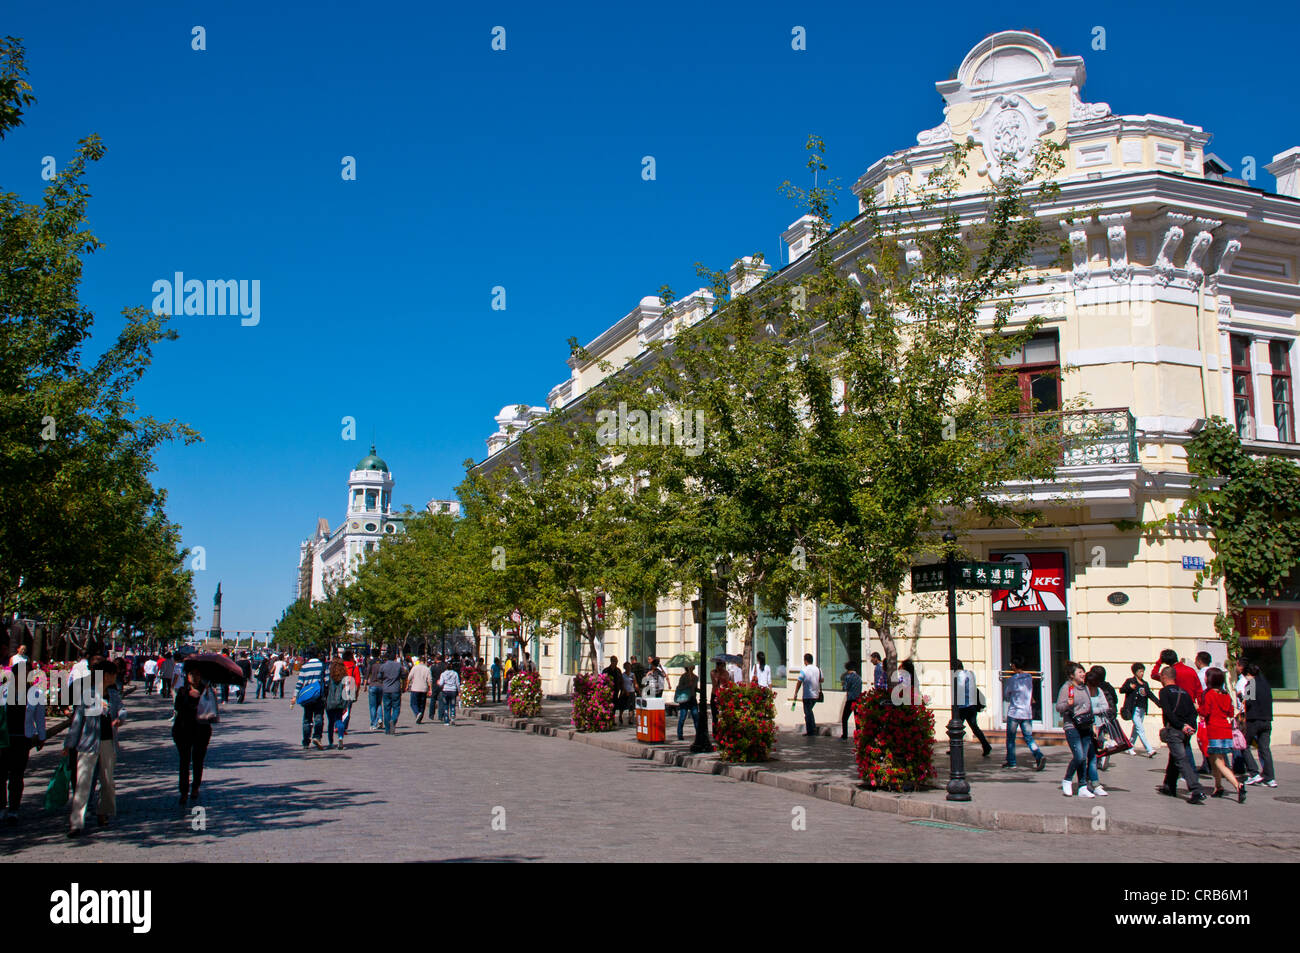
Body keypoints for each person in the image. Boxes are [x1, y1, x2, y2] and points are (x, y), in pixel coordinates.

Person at [63, 659, 123, 837]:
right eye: (113, 673)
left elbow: (122, 709)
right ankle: (76, 822)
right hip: (88, 743)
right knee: (82, 782)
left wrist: (120, 717)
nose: (115, 676)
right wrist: (69, 743)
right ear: (106, 676)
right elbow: (78, 720)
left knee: (107, 781)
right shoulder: (88, 694)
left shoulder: (113, 694)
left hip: (107, 742)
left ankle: (103, 812)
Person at [1, 638, 44, 822]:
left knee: (17, 776)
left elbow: (39, 718)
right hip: (4, 738)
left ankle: (14, 809)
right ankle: (2, 807)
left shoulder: (36, 693)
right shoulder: (3, 691)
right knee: (1, 775)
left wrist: (41, 737)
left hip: (22, 739)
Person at [1154, 665, 1206, 804]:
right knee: (1175, 757)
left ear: (1164, 677)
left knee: (1181, 759)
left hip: (1175, 730)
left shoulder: (1164, 692)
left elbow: (1168, 712)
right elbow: (1193, 712)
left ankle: (1196, 789)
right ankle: (1169, 786)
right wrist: (1190, 726)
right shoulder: (1184, 692)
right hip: (1186, 731)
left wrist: (1179, 725)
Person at [1152, 649, 1205, 772]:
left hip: (1175, 709)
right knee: (1185, 740)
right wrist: (1200, 708)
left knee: (1179, 742)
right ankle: (1178, 772)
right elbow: (1199, 691)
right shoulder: (1190, 670)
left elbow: (1154, 674)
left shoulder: (1171, 673)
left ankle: (1188, 770)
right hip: (1190, 708)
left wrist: (1159, 661)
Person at [1199, 667, 1245, 803]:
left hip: (1214, 730)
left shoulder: (1208, 695)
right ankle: (1218, 786)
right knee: (1215, 760)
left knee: (1219, 763)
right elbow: (1231, 712)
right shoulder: (1225, 695)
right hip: (1226, 730)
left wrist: (1197, 708)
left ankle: (1238, 785)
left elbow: (1205, 711)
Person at [1055, 662, 1099, 798]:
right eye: (1080, 672)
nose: (1083, 674)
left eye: (1083, 672)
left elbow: (1089, 708)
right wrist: (1067, 705)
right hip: (1072, 726)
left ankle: (1082, 786)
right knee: (1079, 756)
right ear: (1071, 675)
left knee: (1084, 757)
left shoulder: (1084, 688)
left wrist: (1094, 725)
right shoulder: (1067, 688)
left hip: (1086, 726)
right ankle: (1067, 780)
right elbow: (1059, 707)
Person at [1000, 657, 1045, 770]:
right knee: (1028, 737)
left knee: (1010, 738)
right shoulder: (1029, 677)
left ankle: (1011, 762)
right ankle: (1038, 755)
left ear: (1015, 666)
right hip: (1026, 712)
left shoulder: (1012, 679)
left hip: (1014, 712)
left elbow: (1007, 694)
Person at [953, 660, 992, 757]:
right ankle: (986, 746)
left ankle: (955, 747)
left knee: (956, 728)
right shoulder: (970, 673)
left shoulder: (959, 676)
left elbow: (960, 689)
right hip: (972, 705)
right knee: (974, 727)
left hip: (963, 706)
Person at [1119, 663, 1159, 758]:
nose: (1142, 673)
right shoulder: (1130, 681)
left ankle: (1129, 747)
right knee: (1141, 729)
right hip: (1134, 709)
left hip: (1142, 709)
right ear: (1135, 672)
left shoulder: (1145, 684)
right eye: (1140, 671)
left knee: (1136, 729)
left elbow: (1149, 694)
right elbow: (1121, 690)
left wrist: (1159, 703)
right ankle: (1149, 750)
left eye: (1143, 671)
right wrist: (1129, 687)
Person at [294, 647, 328, 749]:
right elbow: (327, 681)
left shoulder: (305, 667)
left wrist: (294, 696)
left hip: (307, 697)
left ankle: (305, 741)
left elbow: (299, 683)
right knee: (318, 717)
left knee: (307, 719)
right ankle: (317, 736)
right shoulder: (323, 666)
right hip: (319, 696)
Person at [792, 653, 823, 737]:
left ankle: (811, 730)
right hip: (815, 694)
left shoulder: (804, 670)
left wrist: (796, 693)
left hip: (807, 694)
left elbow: (799, 681)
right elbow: (822, 679)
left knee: (807, 712)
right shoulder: (818, 669)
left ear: (805, 661)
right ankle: (811, 729)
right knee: (809, 711)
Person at [378, 649, 405, 734]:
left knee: (386, 709)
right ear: (395, 658)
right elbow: (404, 675)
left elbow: (379, 677)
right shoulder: (399, 666)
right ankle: (393, 720)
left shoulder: (383, 666)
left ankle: (387, 729)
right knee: (396, 707)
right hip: (396, 689)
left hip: (386, 689)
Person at [325, 660, 349, 749]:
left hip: (329, 701)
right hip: (340, 701)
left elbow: (326, 687)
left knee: (331, 722)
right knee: (339, 720)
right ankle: (340, 737)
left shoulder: (329, 676)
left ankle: (330, 742)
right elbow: (347, 690)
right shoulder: (345, 676)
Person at [339, 650, 361, 740]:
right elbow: (358, 681)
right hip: (350, 690)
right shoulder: (354, 668)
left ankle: (338, 725)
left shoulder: (340, 667)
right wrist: (357, 692)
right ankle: (343, 727)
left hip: (340, 689)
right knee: (347, 710)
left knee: (339, 708)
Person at [674, 663, 699, 740]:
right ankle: (680, 734)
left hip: (692, 698)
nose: (693, 666)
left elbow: (695, 688)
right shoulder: (683, 677)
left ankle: (698, 733)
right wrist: (688, 685)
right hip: (685, 699)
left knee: (695, 716)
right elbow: (679, 687)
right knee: (683, 716)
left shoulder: (695, 677)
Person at [840, 661, 862, 741]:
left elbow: (845, 688)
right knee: (857, 718)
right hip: (858, 699)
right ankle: (859, 734)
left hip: (850, 699)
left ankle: (844, 735)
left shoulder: (848, 677)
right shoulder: (859, 677)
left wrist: (843, 685)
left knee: (844, 718)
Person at [407, 656, 432, 724]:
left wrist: (406, 686)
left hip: (415, 688)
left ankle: (417, 713)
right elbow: (429, 680)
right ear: (424, 661)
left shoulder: (415, 668)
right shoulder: (427, 669)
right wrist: (430, 689)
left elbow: (409, 677)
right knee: (422, 704)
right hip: (424, 688)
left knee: (413, 703)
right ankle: (420, 715)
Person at [365, 652, 385, 730]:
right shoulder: (382, 663)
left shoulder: (371, 663)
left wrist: (365, 685)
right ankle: (380, 719)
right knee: (379, 704)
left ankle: (373, 723)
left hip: (373, 685)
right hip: (381, 685)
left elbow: (367, 673)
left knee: (372, 706)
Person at [710, 658, 730, 730]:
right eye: (718, 665)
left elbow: (726, 684)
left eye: (721, 665)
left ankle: (722, 730)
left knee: (724, 714)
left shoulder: (726, 673)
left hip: (722, 695)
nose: (720, 667)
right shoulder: (713, 672)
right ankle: (715, 730)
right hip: (714, 694)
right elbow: (715, 683)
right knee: (715, 715)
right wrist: (718, 675)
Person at [620, 662, 637, 726]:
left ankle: (630, 719)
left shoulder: (632, 675)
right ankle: (620, 716)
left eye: (629, 666)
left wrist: (637, 688)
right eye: (627, 667)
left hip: (631, 691)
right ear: (625, 667)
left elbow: (635, 683)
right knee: (623, 705)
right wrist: (624, 690)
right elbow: (621, 684)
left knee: (631, 706)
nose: (628, 668)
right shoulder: (623, 675)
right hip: (625, 692)